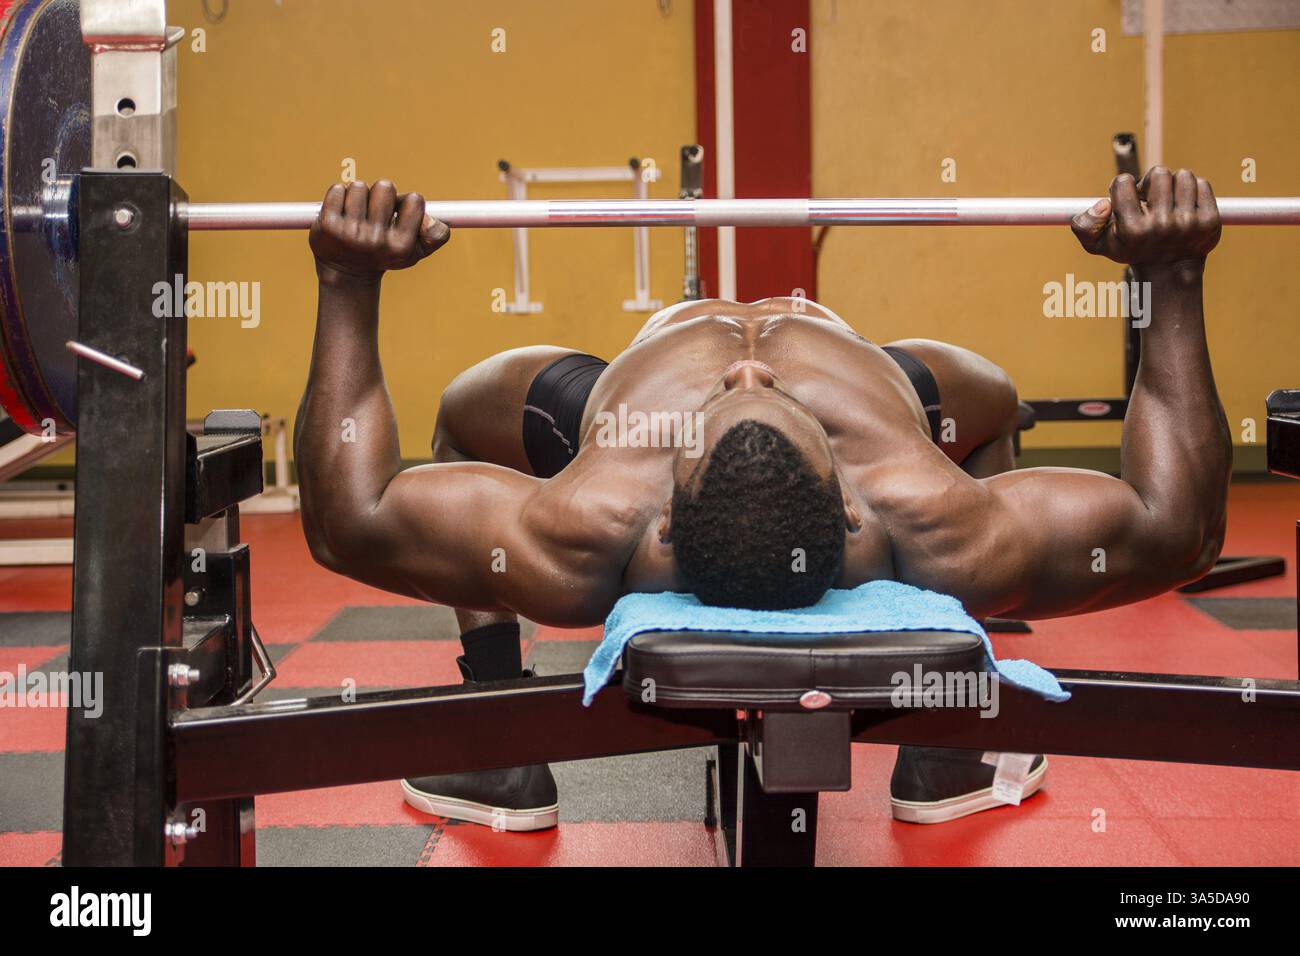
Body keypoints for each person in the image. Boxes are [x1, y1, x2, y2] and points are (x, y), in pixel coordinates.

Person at [295, 167, 1229, 830]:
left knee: (464, 417)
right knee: (992, 397)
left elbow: (352, 520)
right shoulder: (933, 516)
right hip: (873, 378)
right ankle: (952, 748)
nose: (747, 367)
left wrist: (348, 280)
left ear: (663, 512)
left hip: (623, 400)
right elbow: (1175, 528)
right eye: (757, 391)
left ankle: (495, 741)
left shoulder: (588, 523)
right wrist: (1169, 277)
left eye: (739, 394)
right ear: (853, 505)